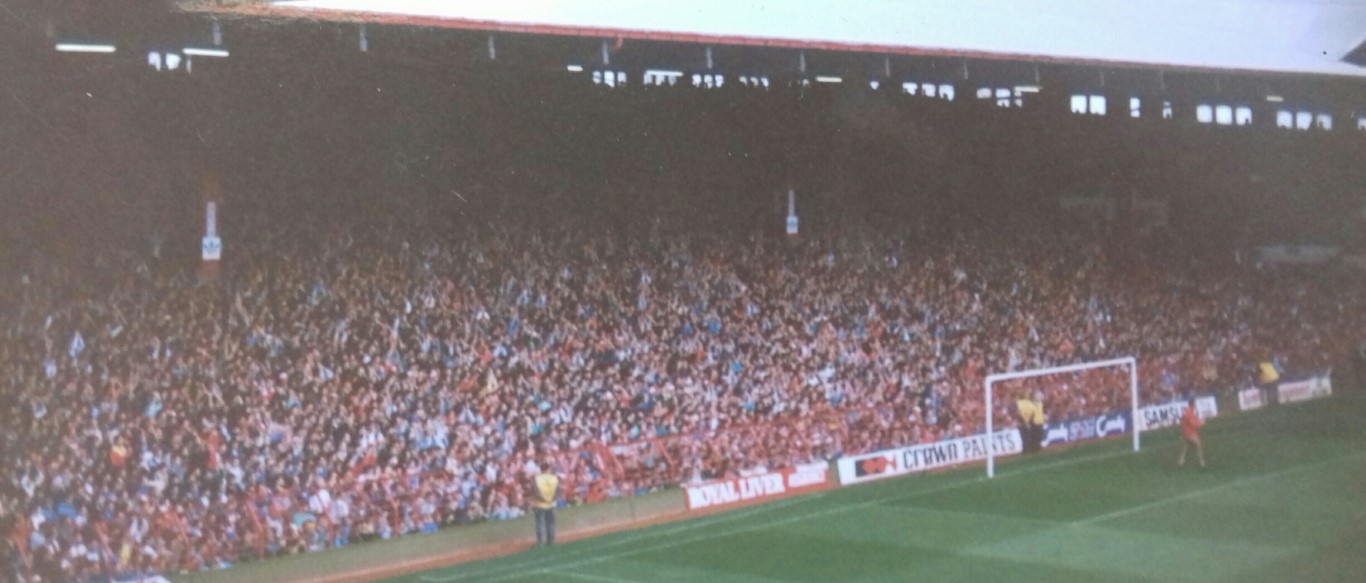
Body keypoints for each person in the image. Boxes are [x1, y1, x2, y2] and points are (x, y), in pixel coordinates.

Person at [530, 461, 560, 547]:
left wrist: (544, 499)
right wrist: (551, 499)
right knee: (551, 522)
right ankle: (551, 540)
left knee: (540, 523)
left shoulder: (536, 479)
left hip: (540, 504)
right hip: (551, 504)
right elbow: (558, 491)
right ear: (548, 469)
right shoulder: (554, 478)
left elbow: (535, 491)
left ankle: (540, 542)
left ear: (541, 469)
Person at [1177, 398, 1206, 469]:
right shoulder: (1189, 413)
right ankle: (1201, 461)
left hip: (1186, 432)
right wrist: (1201, 423)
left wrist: (1199, 420)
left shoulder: (1188, 411)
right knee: (1198, 445)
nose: (1196, 405)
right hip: (1190, 433)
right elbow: (1193, 423)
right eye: (1195, 403)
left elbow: (1191, 420)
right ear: (1192, 404)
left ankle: (1181, 460)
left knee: (1186, 446)